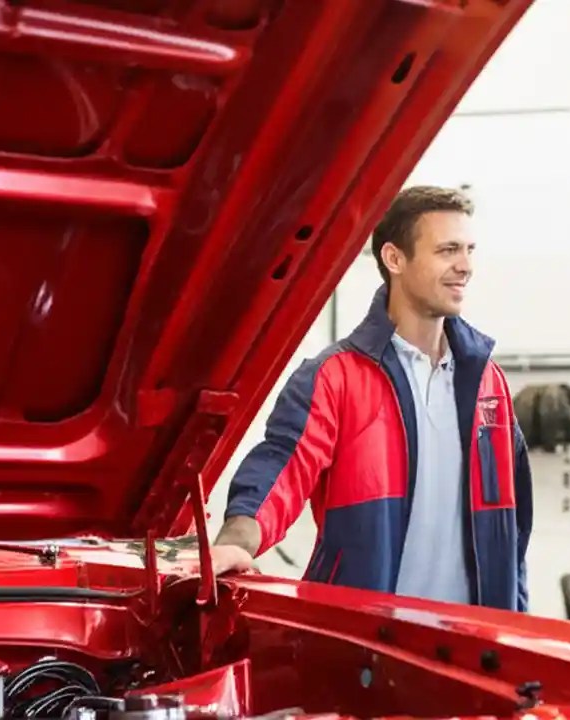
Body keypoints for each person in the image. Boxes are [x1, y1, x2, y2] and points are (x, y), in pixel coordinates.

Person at [209, 185, 534, 611]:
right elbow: (280, 468)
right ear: (394, 259)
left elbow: (513, 524)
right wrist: (237, 542)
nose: (466, 266)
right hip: (370, 634)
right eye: (448, 250)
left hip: (471, 636)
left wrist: (516, 615)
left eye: (469, 250)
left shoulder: (488, 382)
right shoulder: (334, 376)